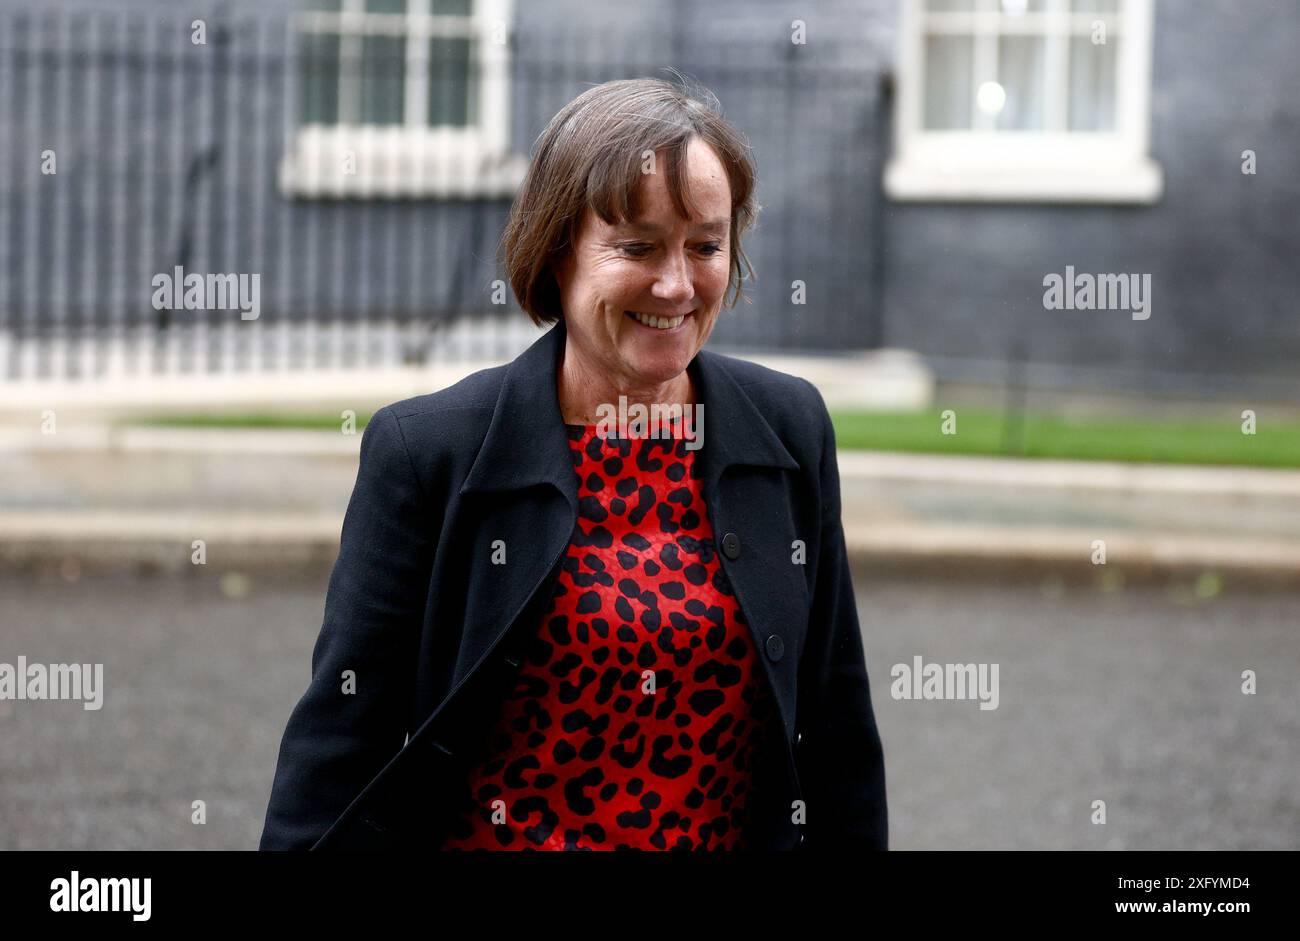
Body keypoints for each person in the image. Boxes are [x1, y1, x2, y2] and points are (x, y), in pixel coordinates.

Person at [259, 76, 887, 852]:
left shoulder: (788, 430)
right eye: (638, 246)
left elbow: (835, 733)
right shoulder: (429, 452)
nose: (676, 284)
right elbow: (342, 740)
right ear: (556, 250)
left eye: (705, 245)